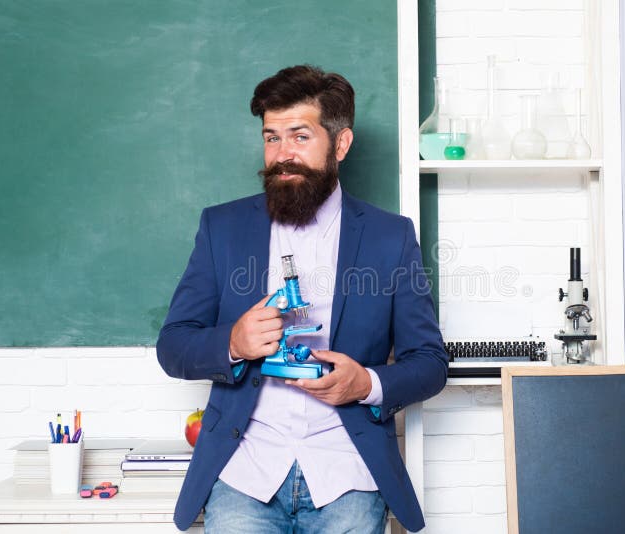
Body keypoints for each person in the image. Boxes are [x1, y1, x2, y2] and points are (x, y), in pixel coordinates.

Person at [157, 65, 448, 533]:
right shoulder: (221, 228)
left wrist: (367, 384)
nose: (282, 154)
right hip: (245, 471)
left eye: (299, 136)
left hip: (347, 471)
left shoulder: (391, 238)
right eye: (272, 137)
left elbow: (430, 362)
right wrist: (232, 342)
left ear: (341, 144)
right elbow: (173, 346)